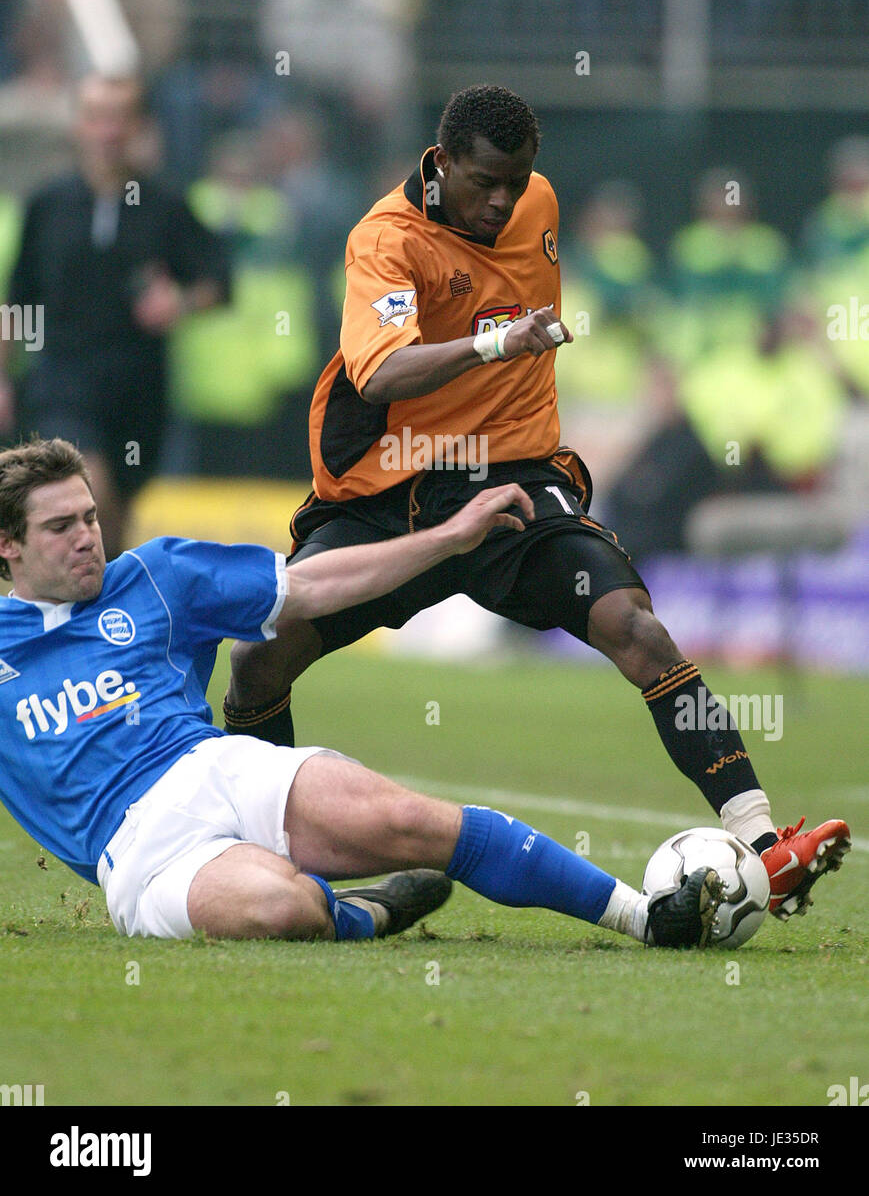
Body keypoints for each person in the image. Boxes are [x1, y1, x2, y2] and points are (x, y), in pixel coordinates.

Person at [225, 84, 850, 922]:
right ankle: (264, 864)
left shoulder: (538, 199)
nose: (501, 202)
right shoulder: (385, 241)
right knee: (261, 655)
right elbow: (378, 373)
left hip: (513, 480)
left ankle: (766, 847)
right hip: (390, 490)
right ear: (439, 164)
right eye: (484, 182)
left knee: (636, 627)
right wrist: (497, 340)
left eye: (515, 183)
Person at [0, 436, 720, 948]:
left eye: (90, 517)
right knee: (281, 907)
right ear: (9, 545)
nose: (87, 537)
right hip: (140, 852)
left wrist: (449, 537)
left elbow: (314, 584)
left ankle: (644, 916)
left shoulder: (157, 574)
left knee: (419, 823)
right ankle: (364, 915)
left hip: (217, 767)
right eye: (60, 527)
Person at [0, 72, 230, 558]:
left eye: (120, 118)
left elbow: (219, 282)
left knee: (115, 519)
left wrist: (180, 302)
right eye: (96, 117)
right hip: (62, 382)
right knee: (87, 488)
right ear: (78, 126)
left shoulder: (165, 206)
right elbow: (19, 300)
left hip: (138, 389)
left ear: (140, 126)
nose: (108, 131)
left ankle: (105, 622)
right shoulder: (49, 204)